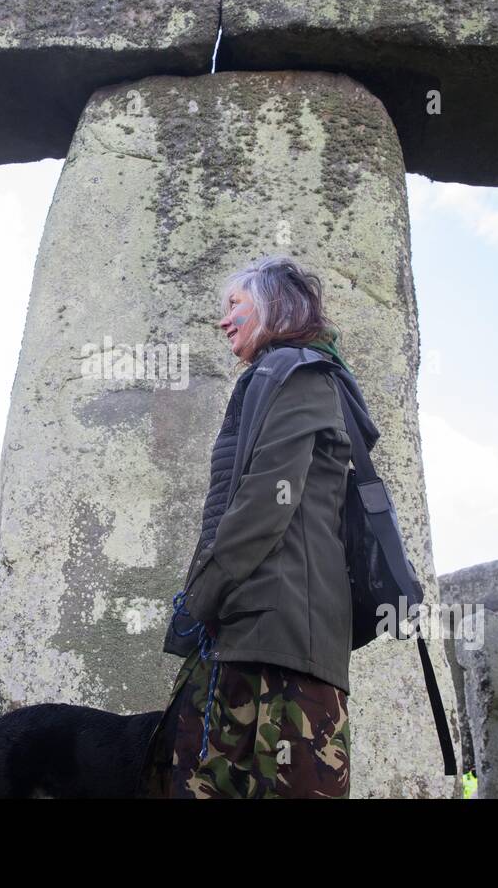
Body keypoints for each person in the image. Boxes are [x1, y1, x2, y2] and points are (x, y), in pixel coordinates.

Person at [142, 255, 359, 798]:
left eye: (233, 304)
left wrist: (201, 598)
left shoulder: (301, 374)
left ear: (273, 306)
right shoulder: (274, 376)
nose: (223, 321)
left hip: (278, 645)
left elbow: (268, 501)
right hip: (245, 633)